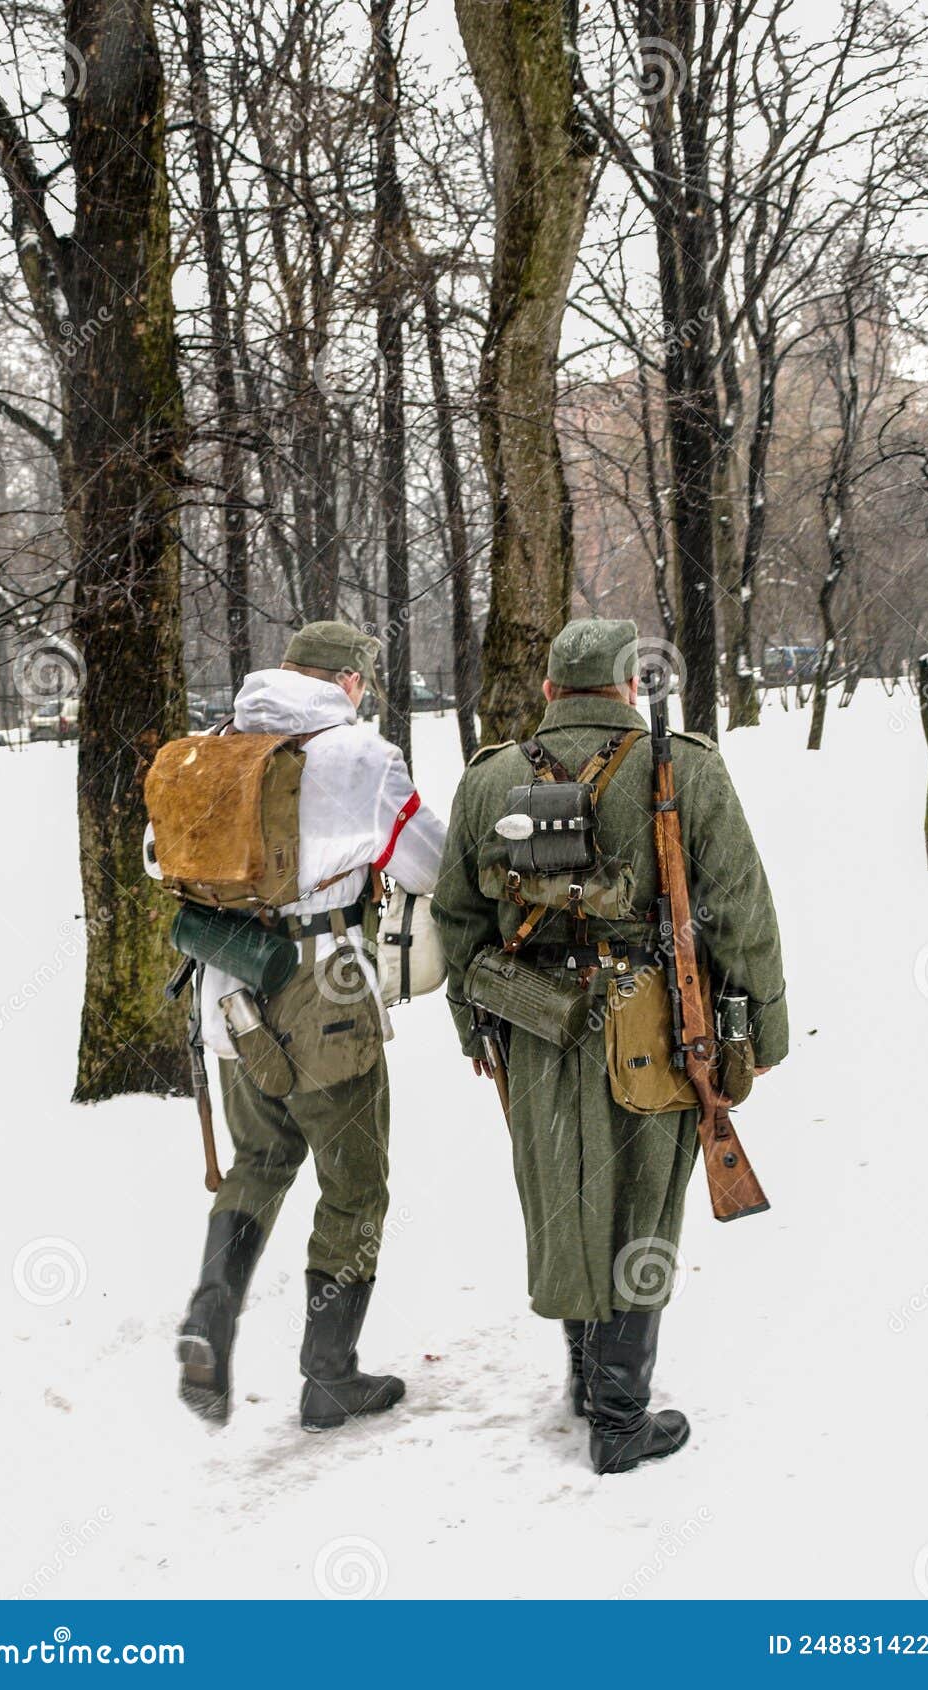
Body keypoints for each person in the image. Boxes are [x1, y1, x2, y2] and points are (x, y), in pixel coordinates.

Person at [431, 618, 787, 1475]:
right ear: (630, 688)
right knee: (643, 1207)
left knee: (561, 1193)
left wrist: (473, 1027)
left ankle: (591, 1384)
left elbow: (456, 921)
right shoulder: (690, 767)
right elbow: (740, 907)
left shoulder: (491, 780)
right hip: (652, 1025)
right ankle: (619, 1419)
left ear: (550, 690)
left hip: (533, 1021)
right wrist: (762, 1029)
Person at [146, 621, 446, 1429]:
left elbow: (155, 857)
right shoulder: (361, 757)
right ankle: (328, 1373)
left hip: (231, 986)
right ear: (349, 681)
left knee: (260, 1160)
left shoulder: (211, 748)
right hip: (328, 989)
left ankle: (209, 1317)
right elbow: (428, 864)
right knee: (354, 1186)